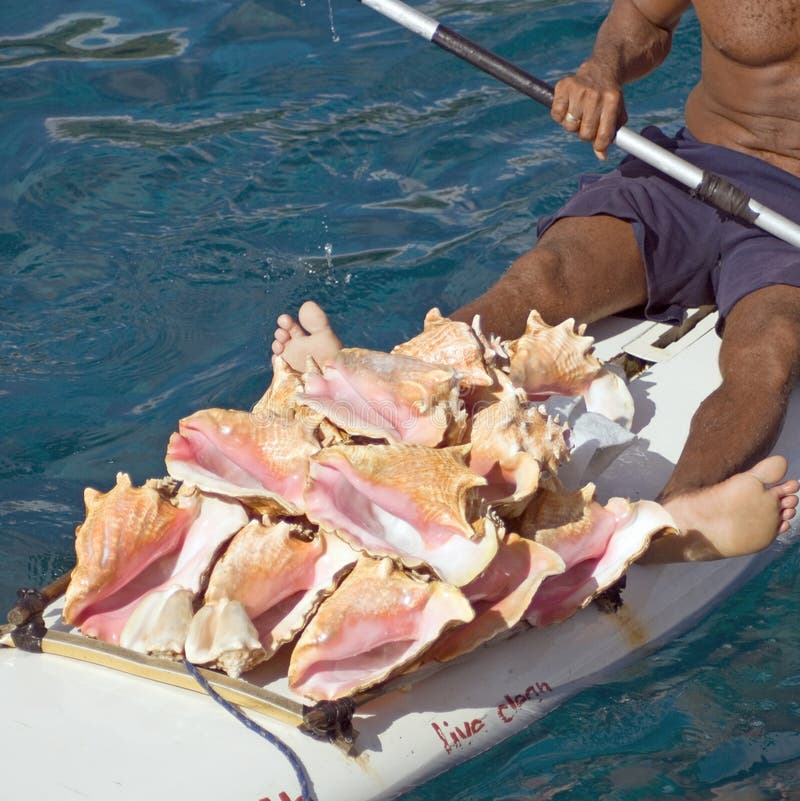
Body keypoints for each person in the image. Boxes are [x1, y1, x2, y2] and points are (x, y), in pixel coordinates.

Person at [271, 0, 800, 562]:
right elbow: (645, 21)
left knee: (769, 349)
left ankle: (676, 522)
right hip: (690, 171)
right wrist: (602, 72)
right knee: (547, 275)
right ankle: (365, 393)